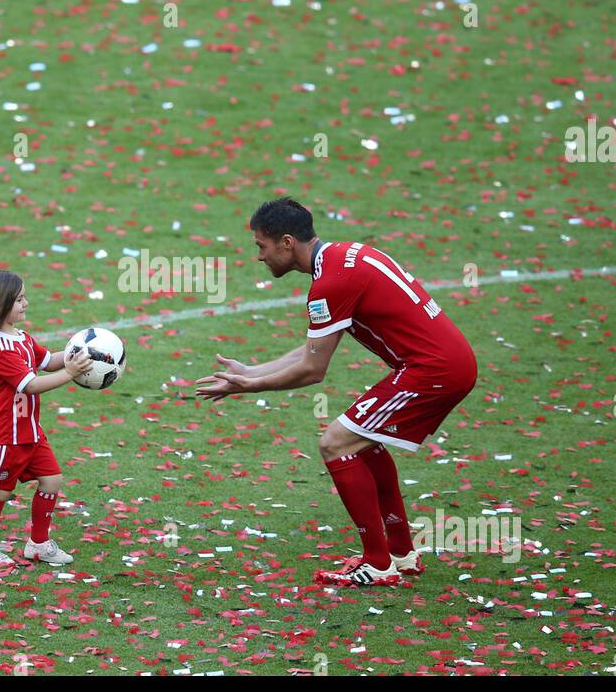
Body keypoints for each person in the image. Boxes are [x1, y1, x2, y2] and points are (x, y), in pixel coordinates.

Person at [195, 198, 478, 586]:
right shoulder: (346, 257)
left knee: (335, 444)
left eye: (261, 246)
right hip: (442, 364)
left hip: (432, 371)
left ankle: (378, 564)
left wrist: (251, 386)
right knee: (362, 442)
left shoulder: (329, 284)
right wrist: (251, 370)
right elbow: (314, 346)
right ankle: (401, 554)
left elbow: (313, 370)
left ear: (287, 242)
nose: (259, 257)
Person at [0, 268, 93, 568]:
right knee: (0, 491)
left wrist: (82, 351)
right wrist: (71, 373)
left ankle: (38, 544)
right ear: (1, 304)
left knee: (51, 479)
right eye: (19, 299)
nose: (26, 304)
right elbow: (31, 384)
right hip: (4, 436)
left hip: (29, 431)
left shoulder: (21, 338)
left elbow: (48, 361)